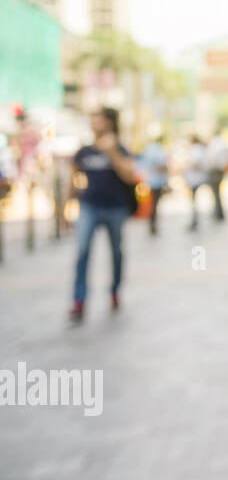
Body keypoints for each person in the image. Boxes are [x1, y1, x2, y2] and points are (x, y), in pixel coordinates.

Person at [67, 107, 137, 322]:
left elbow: (129, 175)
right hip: (89, 207)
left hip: (115, 208)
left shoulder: (120, 149)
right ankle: (79, 300)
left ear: (109, 122)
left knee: (116, 252)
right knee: (82, 251)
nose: (94, 123)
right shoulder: (84, 151)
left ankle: (114, 291)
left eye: (98, 120)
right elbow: (73, 179)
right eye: (92, 119)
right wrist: (65, 207)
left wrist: (111, 151)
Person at [138, 129, 170, 237]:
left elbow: (141, 163)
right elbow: (161, 165)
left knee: (151, 203)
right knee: (154, 204)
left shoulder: (147, 148)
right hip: (156, 181)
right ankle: (152, 223)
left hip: (147, 179)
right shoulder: (158, 149)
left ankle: (151, 223)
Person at [203, 132, 228, 223]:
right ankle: (218, 211)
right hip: (218, 171)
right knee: (217, 193)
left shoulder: (215, 145)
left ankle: (218, 212)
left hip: (215, 171)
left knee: (216, 192)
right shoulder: (220, 145)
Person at [185, 135, 207, 231]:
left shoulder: (196, 149)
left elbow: (196, 163)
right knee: (194, 201)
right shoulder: (200, 149)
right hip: (195, 179)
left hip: (195, 179)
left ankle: (195, 220)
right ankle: (195, 220)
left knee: (194, 201)